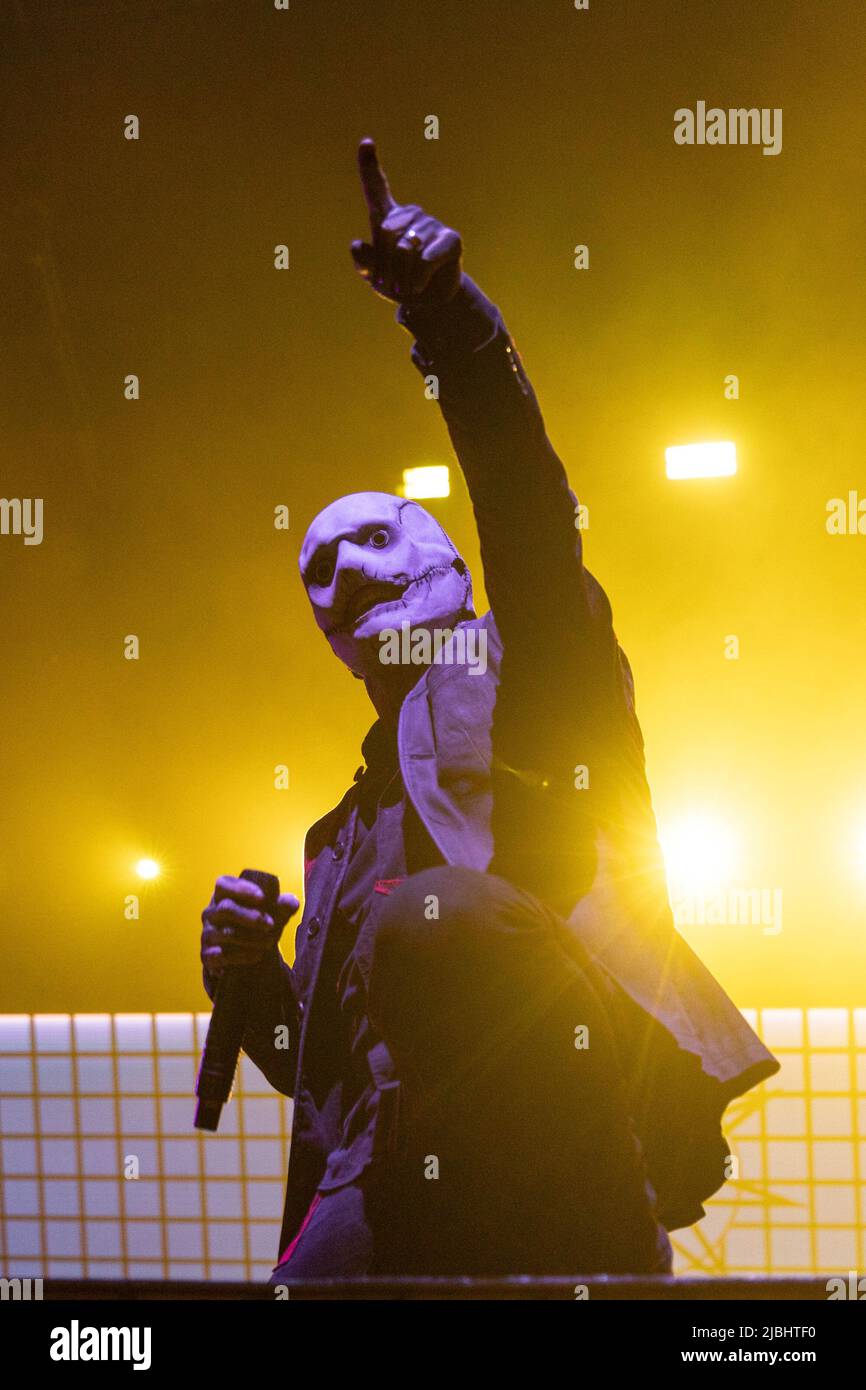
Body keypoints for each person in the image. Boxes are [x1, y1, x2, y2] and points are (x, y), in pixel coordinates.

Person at [199, 139, 779, 1281]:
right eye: (317, 568)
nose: (344, 572)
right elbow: (325, 1083)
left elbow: (527, 507)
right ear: (323, 636)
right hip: (380, 1187)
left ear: (455, 566)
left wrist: (452, 326)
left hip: (554, 1151)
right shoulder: (338, 839)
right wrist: (255, 987)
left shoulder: (529, 658)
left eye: (373, 537)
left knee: (437, 914)